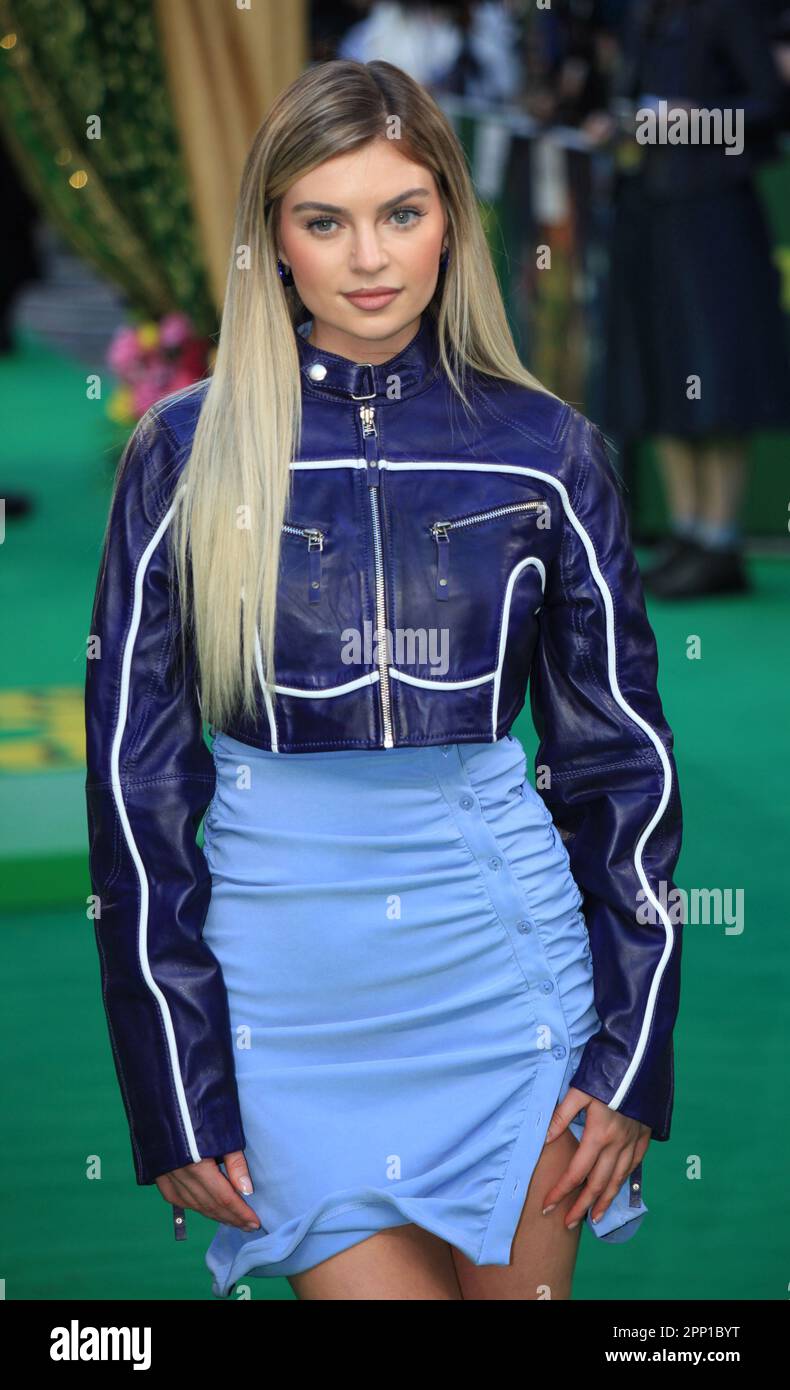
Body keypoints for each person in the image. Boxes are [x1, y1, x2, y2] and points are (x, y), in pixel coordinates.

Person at [84, 58, 683, 1302]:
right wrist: (176, 1086)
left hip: (505, 974)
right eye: (325, 219)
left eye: (401, 212)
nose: (369, 256)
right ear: (273, 242)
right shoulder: (182, 455)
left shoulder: (548, 451)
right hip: (287, 1006)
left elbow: (624, 776)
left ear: (451, 220)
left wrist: (629, 1058)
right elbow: (135, 797)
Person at [585, 0, 790, 598]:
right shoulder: (640, 17)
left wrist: (692, 122)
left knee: (713, 370)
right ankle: (688, 532)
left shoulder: (726, 12)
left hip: (712, 215)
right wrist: (614, 125)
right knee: (660, 371)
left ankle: (719, 540)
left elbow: (773, 110)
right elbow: (632, 105)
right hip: (643, 209)